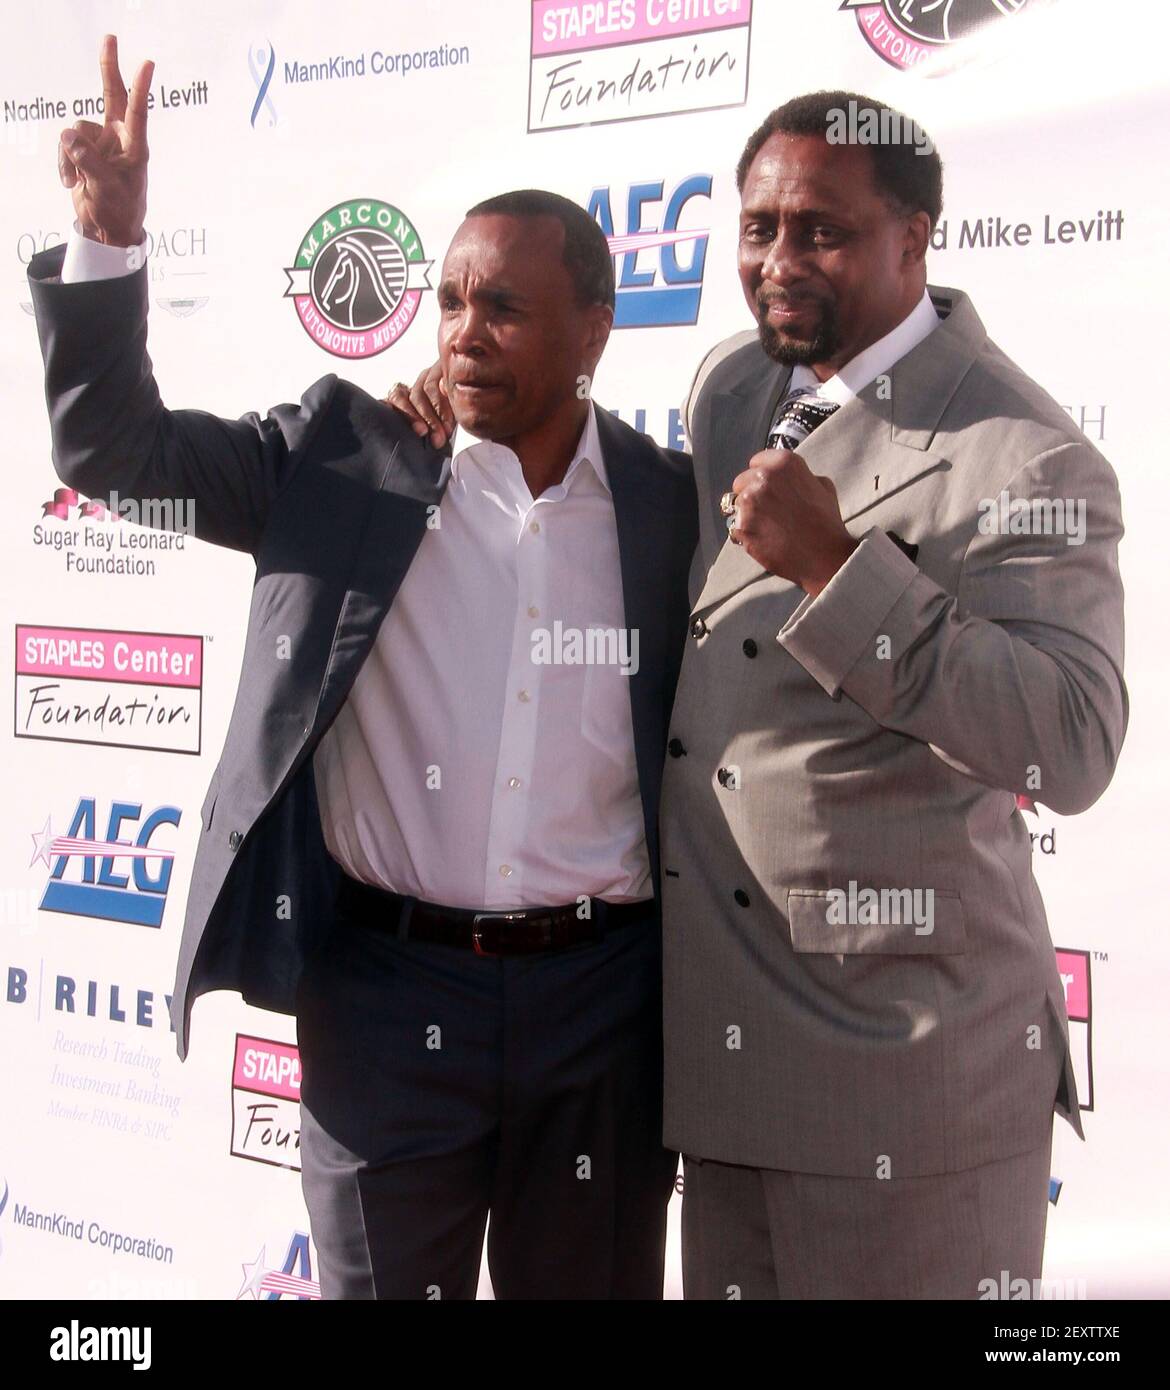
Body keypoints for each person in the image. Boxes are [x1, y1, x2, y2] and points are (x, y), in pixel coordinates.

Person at [391, 90, 1128, 1299]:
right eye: (757, 226)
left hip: (914, 1088)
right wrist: (446, 405)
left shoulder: (1031, 457)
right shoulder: (734, 384)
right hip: (727, 1076)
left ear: (916, 237)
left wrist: (842, 572)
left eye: (821, 231)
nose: (777, 262)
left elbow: (1073, 743)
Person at [30, 34, 695, 1299]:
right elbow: (116, 455)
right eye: (448, 301)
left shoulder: (673, 507)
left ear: (597, 327)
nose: (461, 333)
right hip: (388, 1004)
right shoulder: (347, 465)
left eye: (501, 305)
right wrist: (109, 240)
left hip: (604, 1012)